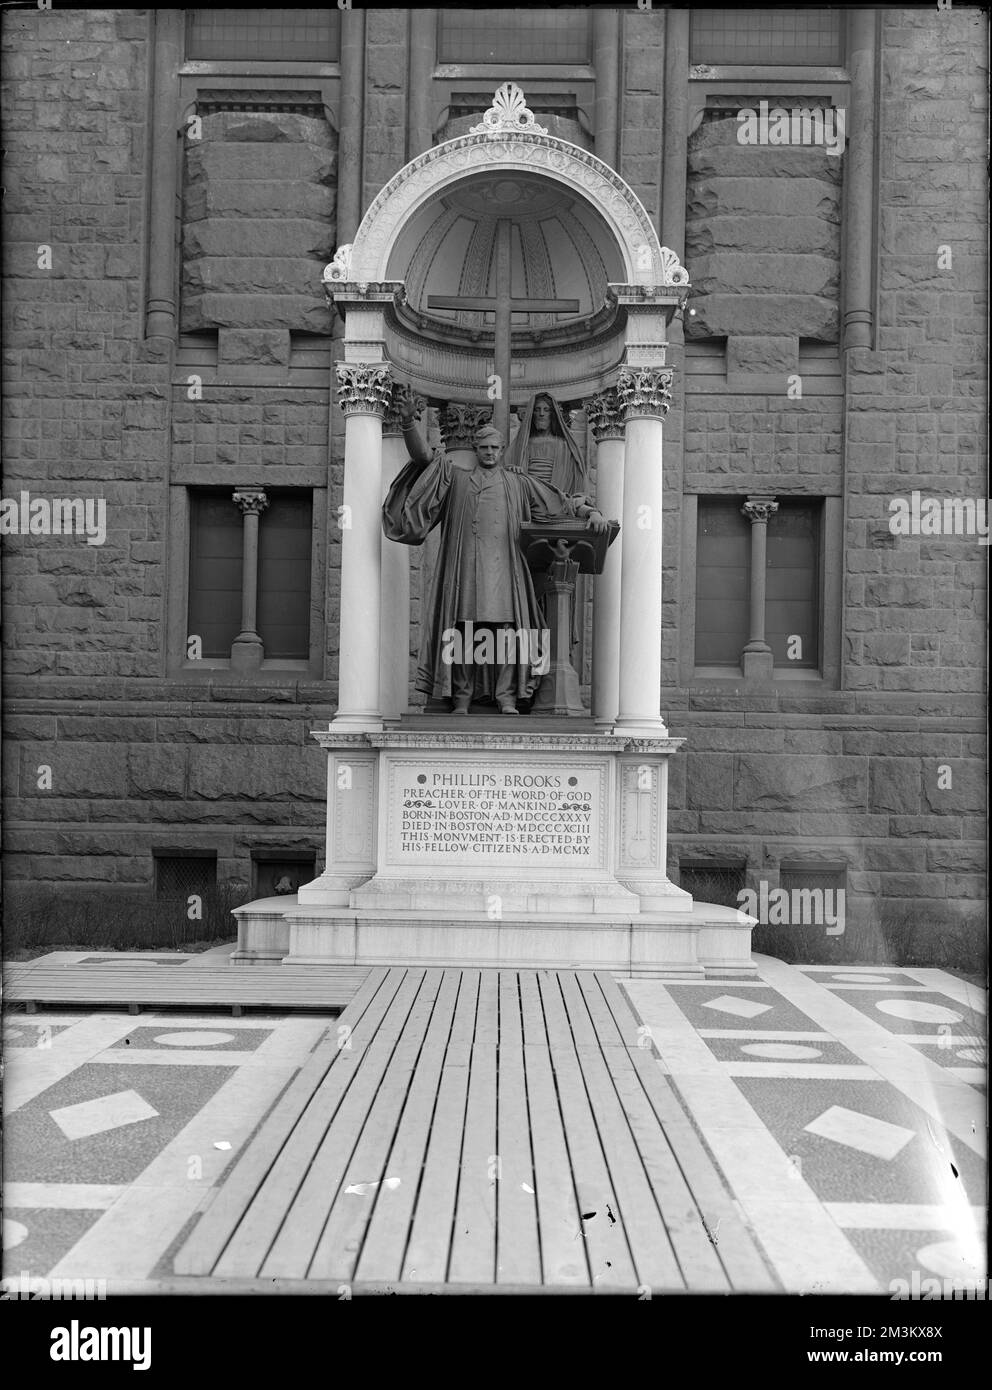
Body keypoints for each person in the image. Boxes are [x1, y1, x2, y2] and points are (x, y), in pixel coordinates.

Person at [383, 389, 607, 713]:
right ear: (476, 449)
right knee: (463, 630)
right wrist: (407, 423)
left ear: (503, 451)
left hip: (506, 570)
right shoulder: (456, 478)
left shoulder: (518, 483)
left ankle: (506, 697)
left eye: (494, 448)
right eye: (484, 447)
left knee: (507, 634)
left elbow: (560, 501)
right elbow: (424, 460)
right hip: (463, 569)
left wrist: (591, 513)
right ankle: (460, 696)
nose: (489, 452)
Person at [504, 392, 588, 497]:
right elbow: (504, 471)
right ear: (531, 413)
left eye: (546, 410)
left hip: (558, 501)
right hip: (529, 499)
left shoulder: (565, 446)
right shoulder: (520, 446)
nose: (541, 414)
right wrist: (511, 470)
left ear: (552, 414)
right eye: (537, 409)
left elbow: (577, 481)